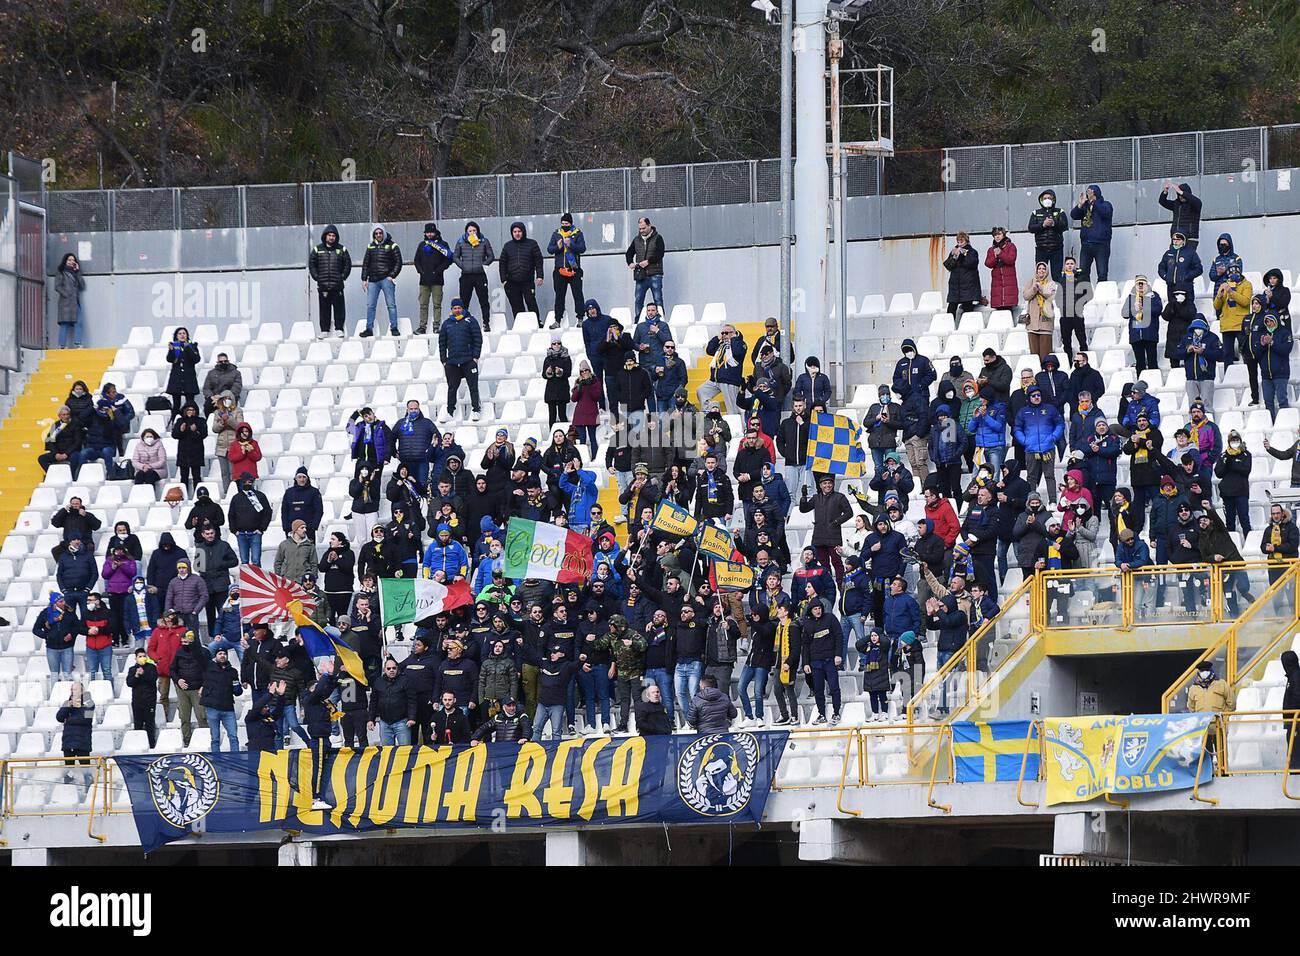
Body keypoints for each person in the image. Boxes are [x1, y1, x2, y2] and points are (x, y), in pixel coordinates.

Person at [800, 473, 853, 589]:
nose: (827, 485)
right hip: (819, 536)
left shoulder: (840, 497)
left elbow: (849, 513)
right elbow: (803, 509)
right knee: (823, 564)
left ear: (833, 484)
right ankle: (829, 586)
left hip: (833, 536)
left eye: (829, 483)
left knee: (837, 562)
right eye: (824, 483)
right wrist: (803, 497)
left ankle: (841, 585)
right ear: (820, 485)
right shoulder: (816, 498)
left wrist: (836, 522)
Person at [1015, 386, 1064, 502]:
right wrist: (1024, 441)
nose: (1037, 397)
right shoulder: (1023, 412)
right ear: (1029, 397)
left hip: (1048, 448)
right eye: (1034, 396)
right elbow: (1017, 428)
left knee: (1049, 476)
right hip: (1031, 450)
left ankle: (1052, 501)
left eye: (1038, 395)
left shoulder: (1050, 409)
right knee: (1031, 477)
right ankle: (1032, 501)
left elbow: (1060, 424)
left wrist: (1054, 437)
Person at [438, 299, 484, 423]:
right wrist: (444, 360)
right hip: (452, 362)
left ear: (463, 308)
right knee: (452, 388)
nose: (457, 310)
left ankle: (476, 409)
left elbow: (477, 338)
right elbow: (442, 342)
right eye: (454, 308)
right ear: (451, 310)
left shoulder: (471, 321)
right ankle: (450, 412)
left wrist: (475, 357)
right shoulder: (447, 324)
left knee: (473, 386)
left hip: (468, 360)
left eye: (459, 308)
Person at [308, 224, 352, 338]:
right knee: (324, 309)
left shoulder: (342, 249)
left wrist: (342, 277)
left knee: (339, 308)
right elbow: (311, 264)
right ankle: (324, 330)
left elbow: (348, 264)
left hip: (337, 285)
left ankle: (339, 329)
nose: (331, 237)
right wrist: (317, 277)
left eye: (333, 236)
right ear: (325, 236)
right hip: (323, 285)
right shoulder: (318, 249)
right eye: (329, 235)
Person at [498, 220, 545, 323]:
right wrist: (503, 279)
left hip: (527, 281)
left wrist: (540, 276)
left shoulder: (532, 244)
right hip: (511, 282)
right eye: (515, 232)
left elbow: (539, 260)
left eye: (519, 231)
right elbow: (502, 263)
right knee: (516, 305)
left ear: (523, 231)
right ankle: (520, 324)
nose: (517, 233)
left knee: (531, 302)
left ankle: (536, 322)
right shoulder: (507, 246)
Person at [360, 224, 402, 337]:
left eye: (380, 233)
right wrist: (364, 279)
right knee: (370, 306)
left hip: (386, 280)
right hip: (373, 281)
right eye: (376, 233)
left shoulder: (392, 245)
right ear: (374, 234)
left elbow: (398, 262)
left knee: (391, 305)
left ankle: (394, 328)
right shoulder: (370, 246)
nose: (378, 235)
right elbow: (365, 264)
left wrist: (392, 275)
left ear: (383, 233)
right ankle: (369, 329)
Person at [547, 212, 587, 329]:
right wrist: (558, 247)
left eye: (567, 223)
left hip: (574, 269)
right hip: (560, 270)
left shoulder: (577, 233)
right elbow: (549, 249)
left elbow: (583, 248)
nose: (564, 225)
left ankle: (580, 319)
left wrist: (571, 244)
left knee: (578, 295)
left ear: (571, 223)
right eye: (563, 223)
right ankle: (558, 320)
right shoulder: (556, 234)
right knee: (559, 296)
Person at [413, 222, 453, 335]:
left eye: (431, 232)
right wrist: (421, 272)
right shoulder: (422, 245)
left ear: (435, 232)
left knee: (437, 305)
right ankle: (422, 326)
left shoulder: (442, 244)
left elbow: (449, 259)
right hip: (424, 280)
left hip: (437, 280)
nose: (430, 234)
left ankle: (436, 326)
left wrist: (438, 270)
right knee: (423, 304)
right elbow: (416, 260)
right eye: (428, 232)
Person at [454, 221, 495, 330]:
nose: (472, 232)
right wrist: (463, 266)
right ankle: (462, 322)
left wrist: (484, 265)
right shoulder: (461, 241)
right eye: (470, 231)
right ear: (466, 232)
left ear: (478, 231)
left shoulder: (484, 241)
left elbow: (491, 256)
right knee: (464, 301)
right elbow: (455, 256)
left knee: (484, 300)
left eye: (474, 230)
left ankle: (486, 323)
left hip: (480, 275)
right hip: (466, 276)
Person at [368, 657, 417, 745]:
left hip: (402, 722)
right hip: (384, 722)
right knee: (386, 752)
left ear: (397, 668)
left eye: (394, 668)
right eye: (389, 668)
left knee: (404, 752)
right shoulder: (378, 682)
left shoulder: (405, 681)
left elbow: (412, 701)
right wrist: (371, 719)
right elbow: (373, 701)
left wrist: (411, 718)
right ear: (384, 669)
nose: (391, 670)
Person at [1253, 312, 1292, 421]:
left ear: (1276, 320)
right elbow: (1256, 353)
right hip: (1266, 375)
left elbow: (1286, 350)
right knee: (1268, 402)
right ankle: (1272, 425)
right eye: (1267, 321)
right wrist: (1262, 345)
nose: (1269, 323)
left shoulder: (1285, 333)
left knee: (1282, 400)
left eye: (1270, 321)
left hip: (1281, 373)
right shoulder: (1262, 334)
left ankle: (1285, 423)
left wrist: (1272, 342)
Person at [698, 324, 746, 414]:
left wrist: (734, 339)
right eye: (722, 333)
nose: (724, 335)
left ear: (734, 333)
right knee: (701, 390)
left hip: (730, 380)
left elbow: (737, 353)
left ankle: (735, 425)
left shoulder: (740, 343)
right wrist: (717, 338)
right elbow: (709, 350)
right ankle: (710, 414)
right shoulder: (721, 345)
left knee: (733, 409)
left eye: (726, 333)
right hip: (715, 379)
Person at [1069, 185, 1113, 282]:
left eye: (1090, 192)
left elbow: (1105, 213)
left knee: (1102, 272)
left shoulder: (1106, 204)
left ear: (1096, 193)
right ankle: (1086, 294)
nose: (1088, 194)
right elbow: (1074, 215)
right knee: (1083, 273)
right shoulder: (1085, 206)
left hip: (1101, 244)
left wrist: (1095, 201)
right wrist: (1080, 204)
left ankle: (1102, 294)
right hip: (1086, 244)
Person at [626, 216, 666, 319]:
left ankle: (661, 320)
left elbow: (660, 253)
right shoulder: (636, 240)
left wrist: (648, 262)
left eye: (643, 228)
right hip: (641, 275)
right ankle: (638, 321)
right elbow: (629, 253)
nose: (641, 231)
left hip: (655, 274)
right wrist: (630, 263)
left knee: (658, 299)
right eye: (640, 229)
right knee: (638, 299)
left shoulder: (658, 238)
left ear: (649, 225)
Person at [1214, 265, 1252, 369]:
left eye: (1236, 273)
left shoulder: (1246, 285)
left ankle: (1248, 372)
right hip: (1226, 324)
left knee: (1245, 350)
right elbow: (1216, 306)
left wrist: (1231, 292)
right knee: (1227, 353)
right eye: (1231, 273)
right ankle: (1228, 376)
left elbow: (1245, 301)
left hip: (1241, 323)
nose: (1233, 275)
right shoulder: (1224, 285)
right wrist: (1219, 295)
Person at [1122, 275, 1163, 373]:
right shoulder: (1131, 297)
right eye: (1138, 284)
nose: (1140, 286)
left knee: (1152, 362)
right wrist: (1134, 309)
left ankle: (1153, 383)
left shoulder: (1154, 296)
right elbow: (1124, 313)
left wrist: (1144, 308)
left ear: (1147, 284)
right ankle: (1140, 385)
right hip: (1136, 336)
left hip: (1150, 335)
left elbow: (1158, 310)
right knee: (1140, 364)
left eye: (1142, 283)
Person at [1027, 188, 1069, 280]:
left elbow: (1065, 226)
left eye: (1049, 198)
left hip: (1056, 249)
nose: (1047, 200)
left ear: (1053, 200)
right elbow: (1031, 228)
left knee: (1057, 276)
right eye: (1045, 198)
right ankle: (1041, 294)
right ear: (1041, 200)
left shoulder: (1059, 212)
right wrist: (1043, 225)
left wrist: (1054, 223)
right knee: (1040, 276)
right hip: (1041, 250)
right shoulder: (1035, 213)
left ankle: (1059, 294)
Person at [1021, 262, 1058, 361]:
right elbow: (1025, 296)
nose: (1041, 271)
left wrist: (1040, 289)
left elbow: (1050, 295)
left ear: (1046, 271)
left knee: (1045, 354)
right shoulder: (1031, 282)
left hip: (1046, 320)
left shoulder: (1051, 283)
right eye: (1039, 269)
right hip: (1033, 322)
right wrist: (1033, 289)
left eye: (1043, 269)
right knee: (1034, 355)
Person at [943, 231, 981, 321]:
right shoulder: (955, 251)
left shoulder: (972, 252)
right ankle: (949, 325)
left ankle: (967, 327)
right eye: (958, 242)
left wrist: (963, 254)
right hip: (955, 286)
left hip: (968, 286)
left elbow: (971, 263)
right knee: (951, 308)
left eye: (962, 241)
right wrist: (954, 257)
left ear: (967, 241)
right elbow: (948, 265)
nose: (960, 244)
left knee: (967, 308)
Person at [855, 629, 893, 721]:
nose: (873, 638)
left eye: (875, 636)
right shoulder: (868, 647)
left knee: (882, 695)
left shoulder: (883, 647)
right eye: (872, 636)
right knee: (872, 696)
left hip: (881, 675)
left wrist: (880, 635)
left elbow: (886, 642)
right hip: (870, 676)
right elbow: (858, 645)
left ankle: (884, 712)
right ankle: (875, 713)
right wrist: (869, 636)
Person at [164, 327, 201, 419]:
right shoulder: (174, 346)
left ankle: (192, 421)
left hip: (189, 379)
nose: (182, 335)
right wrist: (171, 350)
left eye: (184, 333)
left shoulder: (192, 346)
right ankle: (175, 423)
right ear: (176, 336)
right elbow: (170, 359)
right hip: (176, 379)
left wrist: (187, 347)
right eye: (179, 333)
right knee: (176, 404)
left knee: (190, 404)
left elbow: (196, 359)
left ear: (187, 335)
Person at [126, 648, 159, 749]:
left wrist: (143, 674)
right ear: (136, 658)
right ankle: (138, 745)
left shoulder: (152, 667)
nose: (142, 658)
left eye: (144, 656)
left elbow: (153, 679)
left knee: (150, 724)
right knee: (138, 724)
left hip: (149, 701)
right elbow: (129, 683)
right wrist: (136, 675)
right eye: (140, 656)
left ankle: (151, 746)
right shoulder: (132, 669)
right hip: (137, 702)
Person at [1057, 257, 1089, 362]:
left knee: (1082, 339)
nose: (1070, 265)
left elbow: (1087, 294)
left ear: (1075, 265)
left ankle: (1084, 360)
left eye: (1071, 263)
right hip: (1065, 314)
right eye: (1067, 263)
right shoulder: (1061, 279)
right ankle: (1068, 362)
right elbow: (1058, 295)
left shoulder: (1081, 277)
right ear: (1065, 266)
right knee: (1066, 341)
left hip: (1077, 314)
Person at [1159, 232, 1203, 304]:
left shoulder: (1191, 253)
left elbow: (1199, 269)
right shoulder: (1168, 253)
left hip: (1186, 287)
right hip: (1171, 287)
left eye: (1178, 239)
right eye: (1174, 239)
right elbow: (1161, 267)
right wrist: (1166, 276)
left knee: (1187, 310)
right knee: (1173, 309)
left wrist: (1187, 276)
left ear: (1183, 241)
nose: (1175, 241)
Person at [984, 226, 1019, 312]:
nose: (997, 236)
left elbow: (1011, 260)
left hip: (1009, 282)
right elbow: (988, 263)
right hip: (997, 283)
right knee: (999, 310)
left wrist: (1000, 254)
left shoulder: (1011, 246)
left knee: (1008, 309)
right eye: (995, 235)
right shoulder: (991, 249)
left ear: (1004, 235)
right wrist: (995, 257)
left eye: (999, 234)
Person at [1159, 181, 1203, 249]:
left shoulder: (1195, 204)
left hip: (1190, 239)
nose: (1180, 197)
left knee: (1187, 258)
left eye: (1181, 194)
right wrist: (1165, 191)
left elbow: (1197, 201)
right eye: (1178, 195)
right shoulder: (1176, 204)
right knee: (1173, 258)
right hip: (1176, 238)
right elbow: (1162, 202)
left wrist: (1181, 192)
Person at [55, 252, 86, 349]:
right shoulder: (61, 272)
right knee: (64, 323)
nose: (71, 262)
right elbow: (57, 286)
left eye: (73, 260)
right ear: (65, 261)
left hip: (75, 302)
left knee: (79, 322)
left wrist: (78, 272)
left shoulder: (76, 273)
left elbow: (82, 286)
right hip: (65, 302)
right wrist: (66, 294)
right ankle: (62, 345)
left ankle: (78, 343)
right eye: (69, 260)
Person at [542, 336, 573, 428]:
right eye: (554, 343)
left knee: (562, 415)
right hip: (551, 389)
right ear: (551, 345)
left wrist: (560, 372)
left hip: (562, 389)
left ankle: (565, 436)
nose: (556, 345)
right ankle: (552, 437)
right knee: (552, 416)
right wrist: (548, 372)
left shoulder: (566, 358)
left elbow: (568, 372)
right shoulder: (547, 359)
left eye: (558, 343)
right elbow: (543, 375)